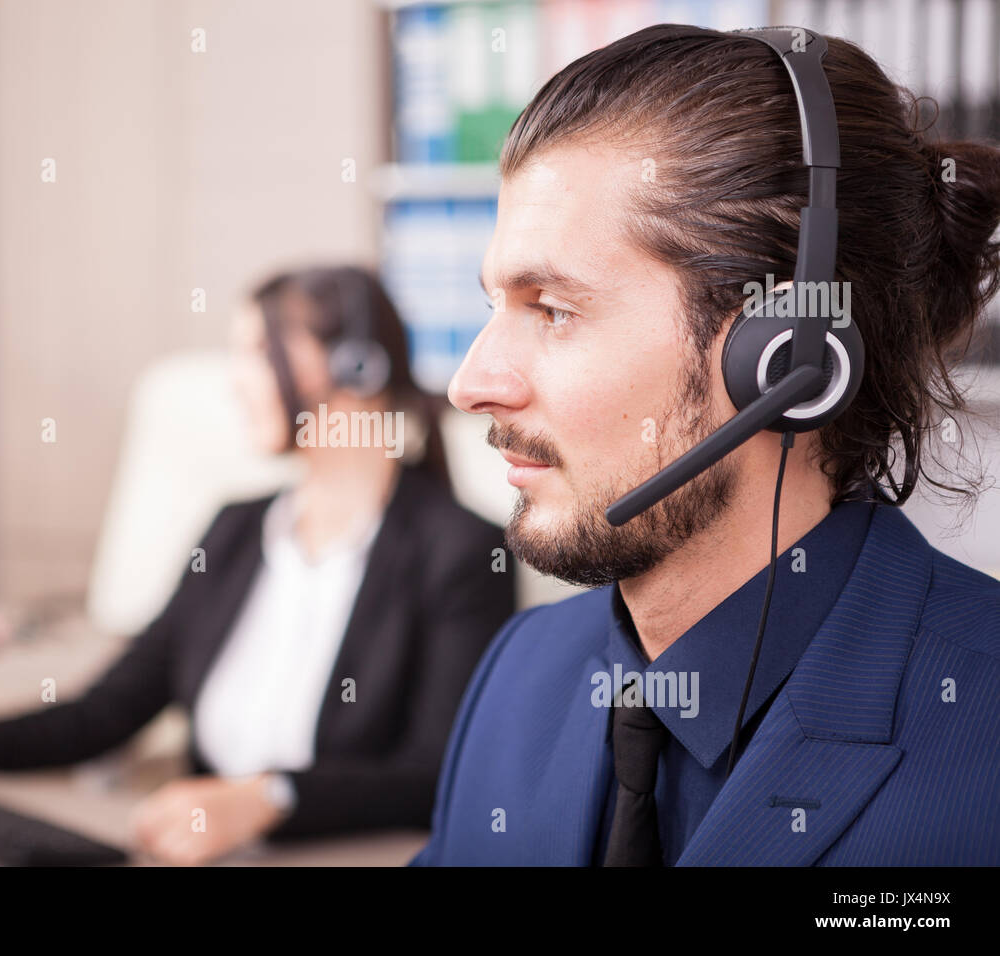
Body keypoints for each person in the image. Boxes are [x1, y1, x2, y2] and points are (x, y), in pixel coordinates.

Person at [412, 24, 1000, 866]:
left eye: (553, 309)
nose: (471, 384)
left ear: (788, 356)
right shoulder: (523, 673)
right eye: (493, 306)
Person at [0, 265, 515, 865]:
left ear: (354, 370)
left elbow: (438, 771)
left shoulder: (456, 550)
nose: (236, 379)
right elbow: (102, 714)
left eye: (255, 349)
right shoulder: (236, 533)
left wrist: (269, 799)